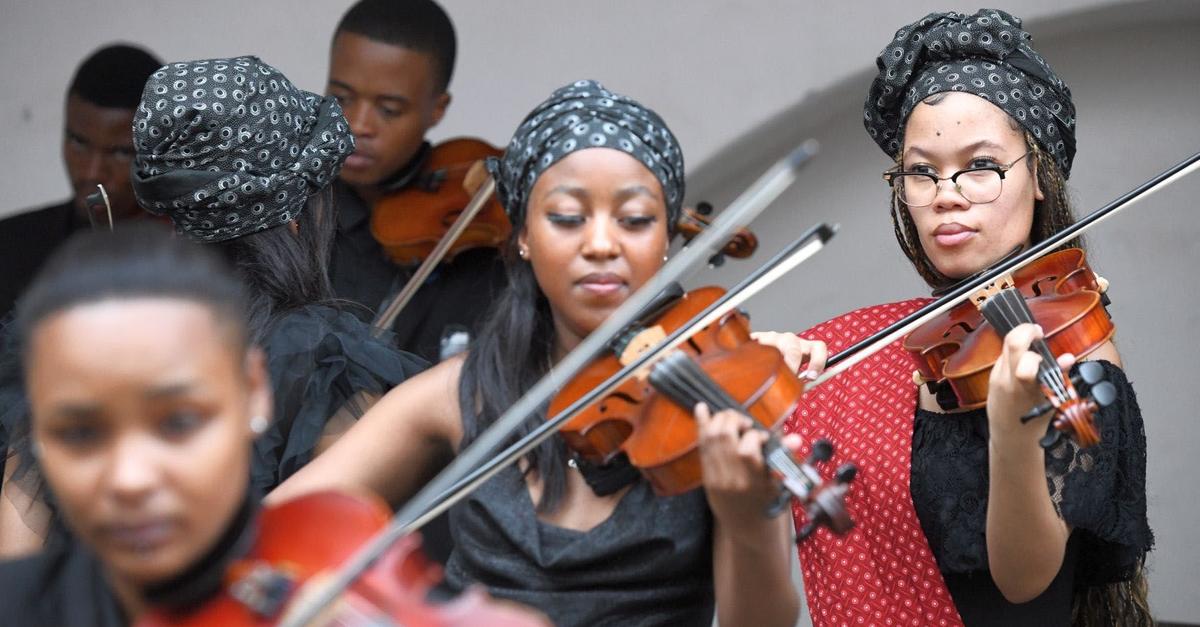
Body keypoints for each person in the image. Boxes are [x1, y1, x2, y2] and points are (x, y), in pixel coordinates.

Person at [272, 79, 804, 627]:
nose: (601, 244)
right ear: (522, 233)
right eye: (569, 218)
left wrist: (748, 520)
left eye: (636, 220)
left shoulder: (718, 404)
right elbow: (270, 532)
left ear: (667, 235)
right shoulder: (459, 393)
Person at [780, 10, 1153, 626]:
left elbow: (1027, 581)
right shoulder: (862, 345)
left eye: (980, 165)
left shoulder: (1078, 350)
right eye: (921, 171)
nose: (946, 192)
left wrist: (1012, 431)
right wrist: (753, 376)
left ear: (1038, 176)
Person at [0, 56, 428, 557]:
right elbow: (334, 572)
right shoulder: (326, 366)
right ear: (296, 215)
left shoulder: (72, 348)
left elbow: (15, 573)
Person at [0, 225, 273, 625]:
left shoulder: (333, 594)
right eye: (79, 434)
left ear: (254, 392)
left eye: (179, 423)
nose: (129, 480)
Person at [326, 0, 508, 363]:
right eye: (341, 98)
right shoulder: (290, 211)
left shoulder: (474, 233)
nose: (359, 124)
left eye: (389, 109)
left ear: (437, 108)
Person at [0, 44, 162, 316]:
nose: (91, 172)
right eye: (78, 143)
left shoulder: (207, 258)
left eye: (121, 152)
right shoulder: (10, 248)